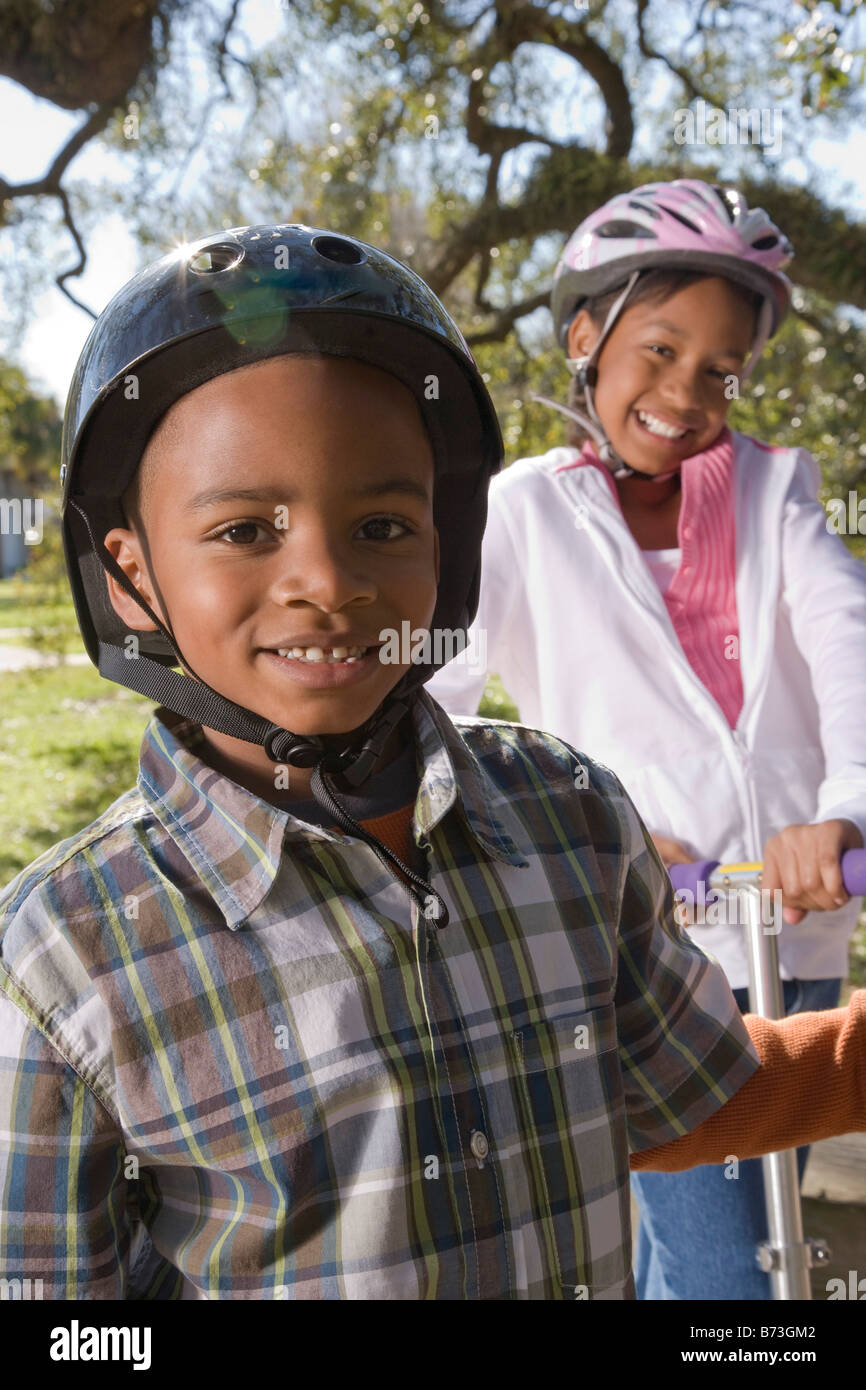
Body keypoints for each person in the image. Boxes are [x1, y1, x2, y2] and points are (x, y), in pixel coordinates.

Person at [0, 222, 863, 1302]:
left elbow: (689, 1093)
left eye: (380, 524)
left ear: (444, 542)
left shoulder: (572, 819)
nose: (325, 578)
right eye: (241, 531)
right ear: (127, 569)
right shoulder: (63, 958)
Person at [426, 179, 866, 1300]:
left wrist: (845, 804)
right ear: (584, 337)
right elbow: (441, 704)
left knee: (744, 1223)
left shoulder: (774, 488)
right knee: (731, 1270)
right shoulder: (523, 511)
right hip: (648, 955)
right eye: (659, 349)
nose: (686, 391)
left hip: (793, 932)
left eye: (719, 369)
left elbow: (845, 637)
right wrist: (596, 836)